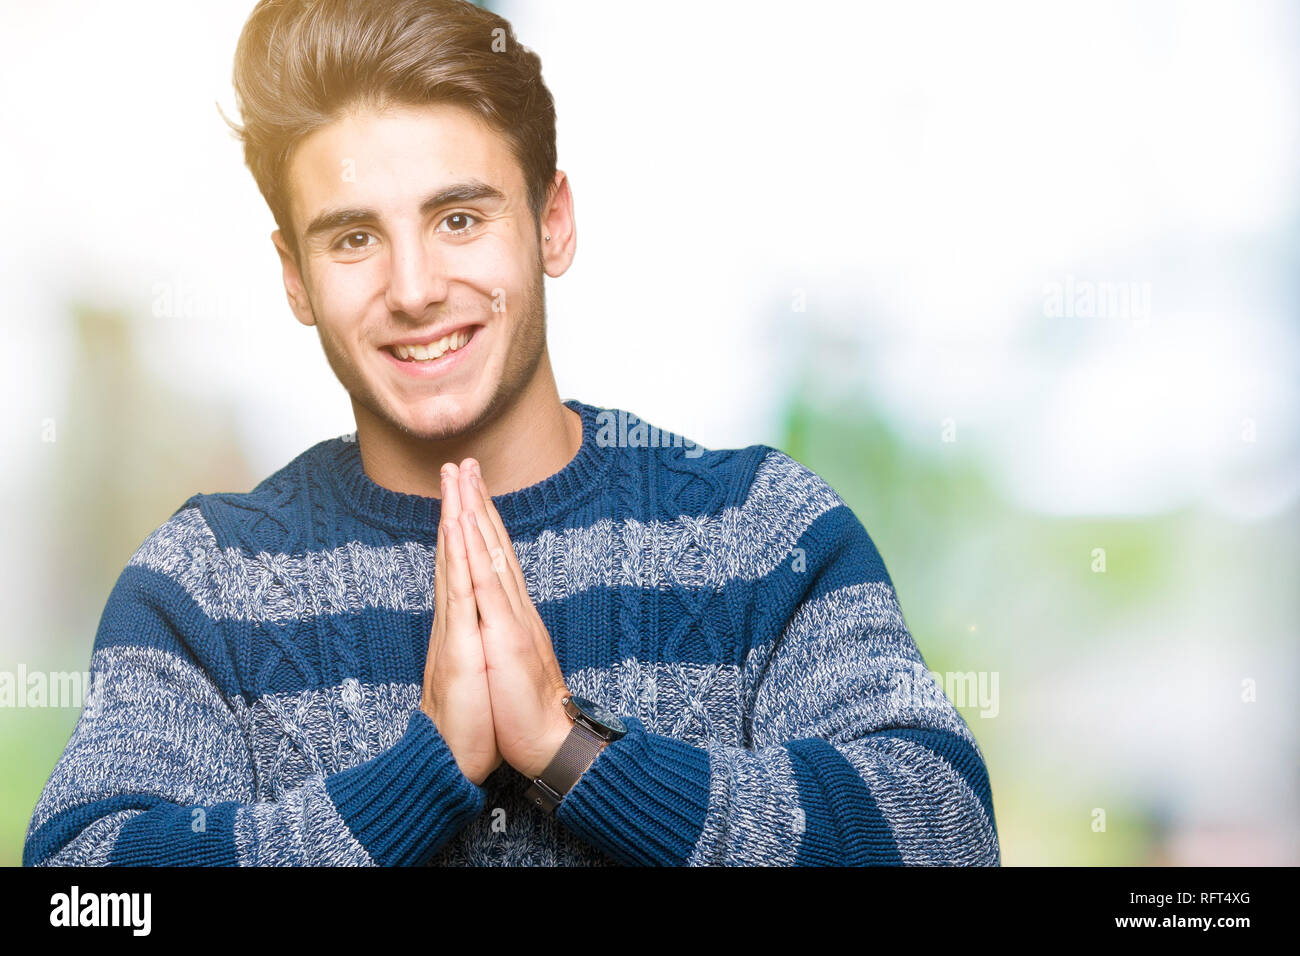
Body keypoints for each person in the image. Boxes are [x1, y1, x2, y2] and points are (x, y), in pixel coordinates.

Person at [23, 0, 999, 866]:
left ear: (552, 221)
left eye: (457, 217)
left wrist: (571, 751)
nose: (412, 289)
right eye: (354, 236)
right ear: (294, 275)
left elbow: (941, 830)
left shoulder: (761, 530)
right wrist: (420, 775)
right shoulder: (203, 584)